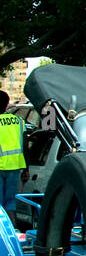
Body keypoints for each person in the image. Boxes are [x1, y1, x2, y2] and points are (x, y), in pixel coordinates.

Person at [0, 91, 27, 223]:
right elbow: (26, 144)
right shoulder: (18, 121)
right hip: (15, 166)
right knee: (10, 201)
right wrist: (26, 168)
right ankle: (13, 228)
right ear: (6, 105)